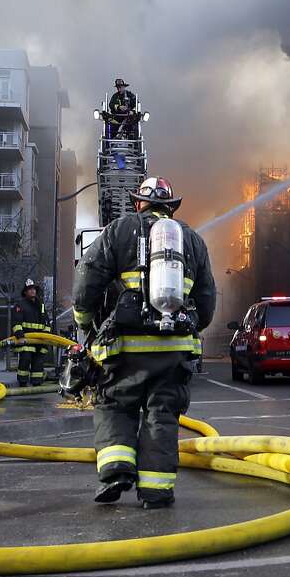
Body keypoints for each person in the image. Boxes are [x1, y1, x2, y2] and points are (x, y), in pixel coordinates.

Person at [72, 177, 216, 509]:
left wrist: (85, 322)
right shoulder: (191, 240)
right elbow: (207, 302)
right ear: (171, 207)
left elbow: (86, 281)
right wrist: (192, 326)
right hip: (174, 349)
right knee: (161, 414)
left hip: (125, 349)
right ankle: (156, 491)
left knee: (115, 404)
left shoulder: (119, 231)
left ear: (139, 203)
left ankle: (116, 471)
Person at [11, 279, 50, 386]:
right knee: (26, 359)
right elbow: (16, 323)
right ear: (25, 292)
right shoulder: (20, 305)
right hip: (26, 340)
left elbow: (46, 322)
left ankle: (37, 383)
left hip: (39, 340)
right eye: (29, 289)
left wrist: (46, 337)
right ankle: (22, 382)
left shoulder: (40, 305)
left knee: (38, 362)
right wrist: (20, 336)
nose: (32, 291)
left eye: (33, 289)